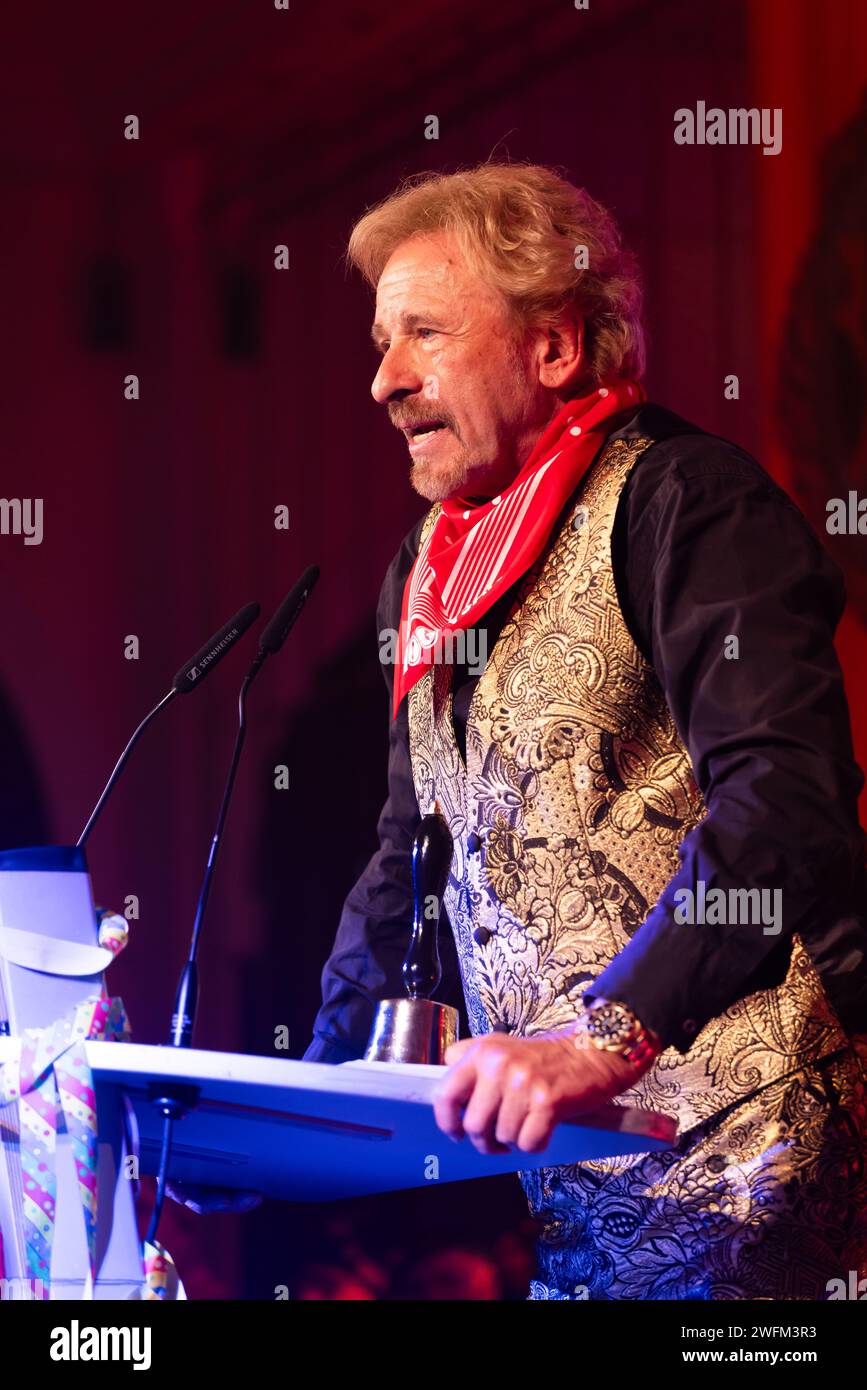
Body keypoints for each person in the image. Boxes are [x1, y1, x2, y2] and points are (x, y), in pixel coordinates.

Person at [304, 161, 867, 1300]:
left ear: (554, 349)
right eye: (379, 340)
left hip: (765, 1179)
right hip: (582, 1202)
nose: (383, 380)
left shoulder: (691, 505)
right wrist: (299, 1107)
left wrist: (602, 1041)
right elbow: (413, 852)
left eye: (421, 333)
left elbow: (786, 806)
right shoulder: (427, 572)